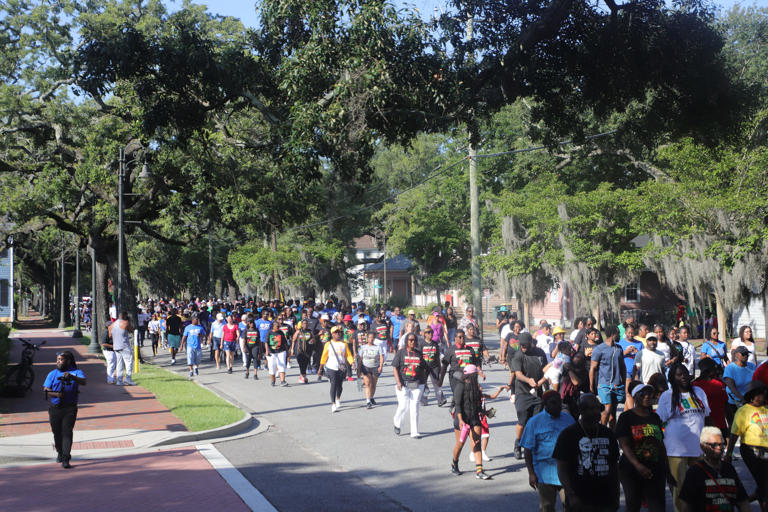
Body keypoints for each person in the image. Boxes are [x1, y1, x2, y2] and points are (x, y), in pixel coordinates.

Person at [553, 393, 621, 511]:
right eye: (591, 408)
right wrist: (570, 494)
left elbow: (614, 465)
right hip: (580, 498)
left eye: (597, 408)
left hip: (606, 498)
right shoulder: (568, 435)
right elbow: (561, 467)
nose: (595, 412)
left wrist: (616, 493)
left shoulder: (608, 433)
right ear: (581, 411)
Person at [657, 362, 711, 512]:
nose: (683, 377)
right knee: (679, 490)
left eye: (685, 373)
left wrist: (711, 439)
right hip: (676, 450)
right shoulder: (667, 396)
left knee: (702, 486)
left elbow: (707, 417)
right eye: (679, 374)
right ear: (672, 378)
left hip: (699, 448)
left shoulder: (699, 391)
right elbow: (659, 422)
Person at [616, 382, 675, 512]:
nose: (647, 396)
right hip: (632, 470)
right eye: (643, 393)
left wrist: (667, 469)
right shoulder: (626, 417)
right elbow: (624, 445)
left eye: (650, 393)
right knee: (633, 506)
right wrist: (638, 466)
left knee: (658, 507)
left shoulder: (655, 417)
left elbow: (660, 443)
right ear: (635, 397)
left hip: (655, 470)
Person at [521, 390, 575, 512]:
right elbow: (528, 449)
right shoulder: (534, 422)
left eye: (559, 402)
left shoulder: (569, 420)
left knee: (570, 506)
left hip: (566, 473)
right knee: (547, 507)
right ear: (545, 404)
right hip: (544, 474)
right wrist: (531, 473)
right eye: (553, 403)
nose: (558, 406)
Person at [680, 426, 750, 512]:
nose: (719, 448)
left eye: (721, 444)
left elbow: (743, 501)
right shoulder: (694, 472)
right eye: (714, 445)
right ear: (703, 447)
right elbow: (685, 506)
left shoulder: (729, 469)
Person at [725, 380, 768, 511]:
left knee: (764, 483)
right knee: (764, 481)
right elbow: (734, 435)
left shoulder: (765, 409)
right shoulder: (743, 411)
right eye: (761, 394)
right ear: (753, 395)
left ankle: (748, 498)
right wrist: (729, 454)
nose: (764, 397)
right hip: (751, 450)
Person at [43, 350, 86, 469]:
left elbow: (83, 382)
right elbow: (46, 389)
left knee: (67, 432)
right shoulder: (52, 374)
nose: (58, 362)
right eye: (57, 360)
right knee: (57, 433)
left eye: (61, 360)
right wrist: (56, 395)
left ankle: (66, 458)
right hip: (55, 408)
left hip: (70, 408)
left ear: (68, 361)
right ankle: (60, 452)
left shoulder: (77, 372)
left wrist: (71, 376)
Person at [450, 364, 492, 479]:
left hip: (474, 419)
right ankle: (454, 463)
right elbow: (458, 405)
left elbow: (478, 405)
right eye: (475, 375)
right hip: (462, 420)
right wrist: (460, 420)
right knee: (460, 444)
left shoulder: (476, 388)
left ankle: (479, 471)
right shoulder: (460, 386)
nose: (476, 377)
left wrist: (485, 412)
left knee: (476, 443)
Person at [510, 332, 546, 460]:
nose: (524, 348)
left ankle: (533, 447)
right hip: (523, 393)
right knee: (523, 421)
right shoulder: (518, 355)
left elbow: (545, 370)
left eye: (526, 345)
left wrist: (546, 388)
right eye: (522, 345)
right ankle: (518, 444)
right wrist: (528, 380)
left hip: (538, 394)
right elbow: (518, 374)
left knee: (536, 422)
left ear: (531, 342)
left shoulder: (540, 353)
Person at [589, 325, 626, 428]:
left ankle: (611, 435)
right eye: (618, 333)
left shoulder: (619, 348)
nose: (620, 335)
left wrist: (624, 382)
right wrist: (591, 386)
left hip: (617, 384)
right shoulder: (599, 349)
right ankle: (602, 430)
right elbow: (592, 368)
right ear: (613, 334)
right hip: (604, 384)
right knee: (607, 408)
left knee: (613, 412)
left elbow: (623, 366)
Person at [392, 333, 427, 438]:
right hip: (403, 384)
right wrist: (398, 382)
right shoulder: (401, 353)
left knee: (414, 407)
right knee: (403, 406)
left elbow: (424, 368)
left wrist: (424, 383)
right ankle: (397, 423)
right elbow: (395, 367)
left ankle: (414, 431)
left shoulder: (419, 354)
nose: (412, 342)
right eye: (410, 340)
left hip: (417, 384)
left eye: (414, 340)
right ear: (406, 341)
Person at [319, 325, 354, 411]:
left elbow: (348, 355)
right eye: (336, 332)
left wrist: (352, 363)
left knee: (340, 385)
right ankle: (333, 403)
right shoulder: (328, 344)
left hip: (341, 368)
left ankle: (338, 398)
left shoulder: (344, 344)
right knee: (333, 384)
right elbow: (324, 356)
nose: (338, 334)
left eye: (339, 332)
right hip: (331, 367)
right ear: (332, 334)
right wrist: (320, 368)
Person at [693, 358, 729, 441]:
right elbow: (726, 406)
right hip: (719, 425)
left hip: (702, 426)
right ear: (711, 370)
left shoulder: (694, 385)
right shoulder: (720, 384)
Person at [723, 345, 756, 426]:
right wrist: (743, 399)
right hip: (735, 402)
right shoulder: (730, 368)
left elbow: (756, 382)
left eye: (747, 354)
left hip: (749, 401)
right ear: (736, 355)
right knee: (736, 426)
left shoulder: (752, 366)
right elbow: (732, 388)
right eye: (743, 354)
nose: (746, 356)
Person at [419, 326, 446, 407]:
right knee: (423, 384)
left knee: (437, 383)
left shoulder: (435, 344)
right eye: (428, 332)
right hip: (424, 367)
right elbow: (419, 356)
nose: (430, 334)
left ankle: (441, 400)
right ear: (425, 334)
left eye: (431, 332)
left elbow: (438, 356)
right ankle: (423, 400)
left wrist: (440, 367)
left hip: (434, 367)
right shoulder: (421, 344)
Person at [618, 325, 643, 409]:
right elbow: (616, 357)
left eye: (632, 333)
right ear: (625, 333)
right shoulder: (620, 343)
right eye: (629, 333)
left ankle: (625, 414)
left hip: (636, 371)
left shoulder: (639, 343)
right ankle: (632, 412)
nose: (631, 335)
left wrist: (637, 352)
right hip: (626, 370)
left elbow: (644, 356)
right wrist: (625, 352)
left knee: (636, 393)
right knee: (628, 392)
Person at [358, 332, 384, 408]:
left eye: (372, 337)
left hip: (375, 367)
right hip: (365, 367)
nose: (371, 339)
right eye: (369, 337)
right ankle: (368, 401)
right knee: (368, 384)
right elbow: (360, 359)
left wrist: (381, 366)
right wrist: (359, 370)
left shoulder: (378, 347)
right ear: (367, 338)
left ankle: (371, 397)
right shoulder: (363, 347)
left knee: (373, 384)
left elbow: (381, 357)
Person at [109, 311, 136, 386]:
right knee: (129, 362)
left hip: (116, 346)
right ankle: (128, 378)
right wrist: (129, 321)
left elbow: (110, 336)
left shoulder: (112, 325)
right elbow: (132, 330)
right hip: (124, 346)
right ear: (125, 316)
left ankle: (119, 380)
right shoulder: (125, 323)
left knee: (119, 364)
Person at [265, 320, 290, 387]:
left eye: (279, 326)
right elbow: (266, 342)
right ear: (273, 327)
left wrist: (287, 351)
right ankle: (273, 381)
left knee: (282, 366)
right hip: (272, 353)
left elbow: (285, 342)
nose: (278, 327)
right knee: (272, 367)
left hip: (281, 351)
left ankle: (282, 381)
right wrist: (267, 351)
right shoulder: (269, 332)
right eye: (277, 326)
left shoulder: (281, 332)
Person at [180, 314, 205, 379]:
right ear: (192, 320)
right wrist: (181, 345)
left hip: (198, 346)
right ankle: (191, 370)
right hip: (190, 345)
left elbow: (204, 335)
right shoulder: (188, 327)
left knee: (198, 359)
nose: (197, 321)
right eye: (196, 319)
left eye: (197, 320)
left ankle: (195, 367)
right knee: (190, 358)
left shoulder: (200, 327)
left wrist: (200, 336)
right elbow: (184, 336)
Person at [292, 318, 315, 383]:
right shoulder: (298, 331)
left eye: (307, 323)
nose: (306, 325)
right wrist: (292, 349)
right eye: (304, 323)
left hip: (308, 350)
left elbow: (314, 339)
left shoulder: (310, 331)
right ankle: (303, 376)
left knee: (305, 363)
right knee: (301, 363)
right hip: (299, 350)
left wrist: (312, 340)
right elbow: (293, 340)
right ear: (301, 325)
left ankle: (302, 376)